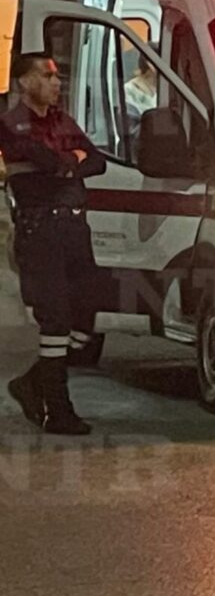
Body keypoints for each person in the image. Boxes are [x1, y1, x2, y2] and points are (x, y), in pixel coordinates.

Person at [2, 53, 107, 436]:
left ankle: (32, 383)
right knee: (57, 318)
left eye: (57, 76)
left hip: (74, 228)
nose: (56, 82)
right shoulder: (11, 119)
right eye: (46, 76)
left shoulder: (61, 119)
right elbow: (45, 160)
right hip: (40, 230)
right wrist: (69, 161)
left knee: (89, 308)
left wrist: (70, 162)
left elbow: (98, 161)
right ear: (24, 81)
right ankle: (57, 407)